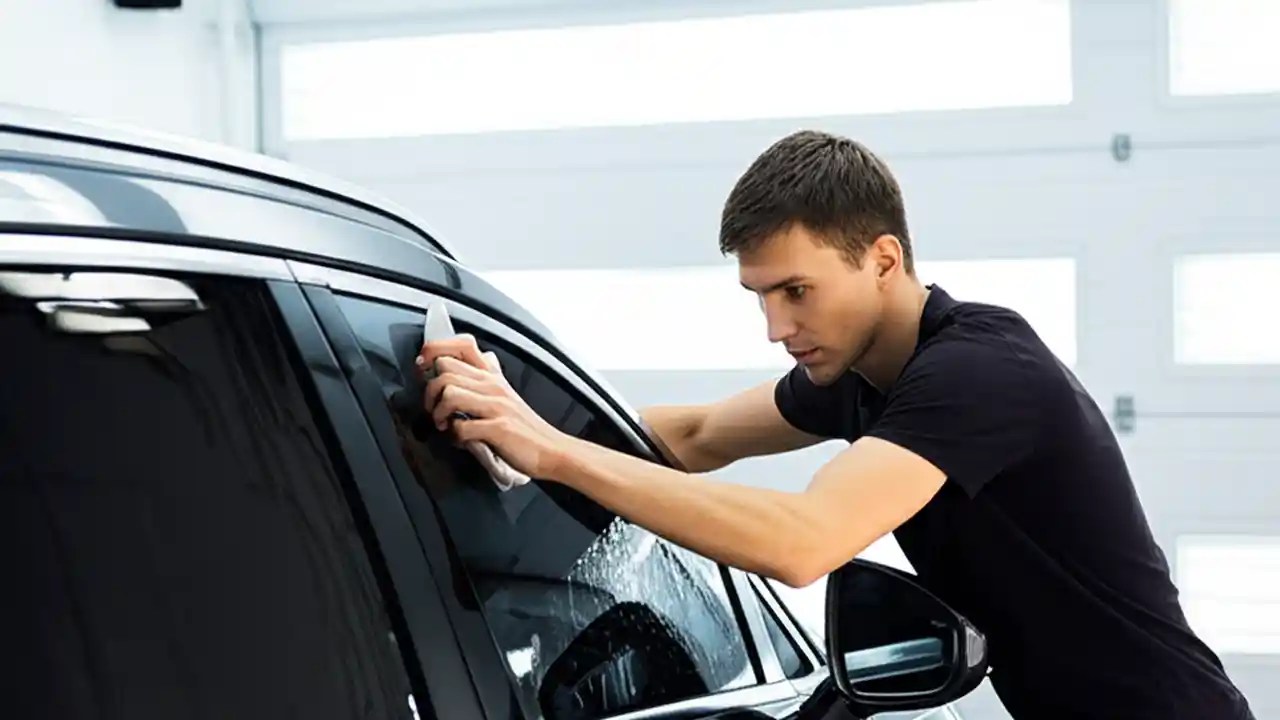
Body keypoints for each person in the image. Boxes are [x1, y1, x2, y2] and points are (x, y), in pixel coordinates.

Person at [417, 130, 1254, 719]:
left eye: (797, 291)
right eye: (761, 297)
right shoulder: (858, 378)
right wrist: (512, 409)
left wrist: (554, 452)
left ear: (883, 259)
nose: (776, 327)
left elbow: (804, 541)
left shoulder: (979, 373)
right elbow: (695, 436)